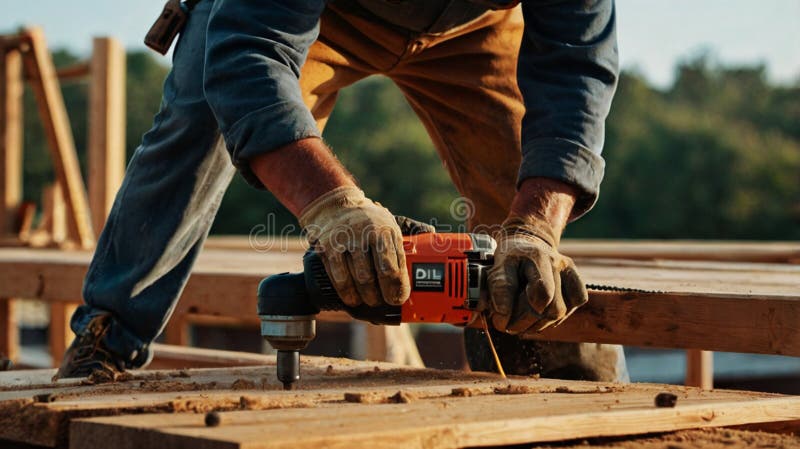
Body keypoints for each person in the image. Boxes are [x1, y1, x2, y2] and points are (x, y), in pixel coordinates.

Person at [55, 0, 627, 382]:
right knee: (204, 104)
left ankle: (563, 387)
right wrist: (332, 207)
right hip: (317, 11)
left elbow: (575, 70)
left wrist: (535, 226)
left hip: (475, 23)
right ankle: (109, 339)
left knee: (524, 230)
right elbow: (248, 55)